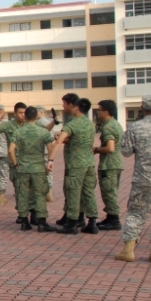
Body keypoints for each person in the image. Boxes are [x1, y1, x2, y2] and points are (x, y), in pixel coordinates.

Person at [114, 95, 151, 264]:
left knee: (136, 213)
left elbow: (126, 151)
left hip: (143, 177)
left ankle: (129, 251)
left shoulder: (134, 128)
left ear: (142, 107)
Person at [49, 96, 98, 234]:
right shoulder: (90, 124)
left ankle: (71, 223)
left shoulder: (72, 124)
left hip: (75, 164)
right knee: (88, 192)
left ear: (76, 107)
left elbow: (59, 141)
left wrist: (51, 160)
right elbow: (78, 140)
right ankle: (92, 222)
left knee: (73, 192)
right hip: (89, 162)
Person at [9, 107, 58, 232]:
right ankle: (42, 222)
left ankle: (24, 222)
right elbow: (51, 149)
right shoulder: (43, 132)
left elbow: (11, 150)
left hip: (23, 168)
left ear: (25, 117)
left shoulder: (19, 132)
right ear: (37, 117)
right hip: (38, 168)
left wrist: (16, 164)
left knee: (23, 194)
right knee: (40, 194)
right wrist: (50, 162)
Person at [0, 102, 26, 212]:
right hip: (14, 161)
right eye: (20, 113)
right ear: (15, 113)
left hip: (29, 161)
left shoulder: (30, 124)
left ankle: (32, 213)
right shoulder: (8, 125)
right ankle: (22, 213)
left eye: (25, 112)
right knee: (19, 188)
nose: (23, 115)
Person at [94, 99, 124, 231]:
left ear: (106, 111)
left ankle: (114, 219)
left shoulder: (108, 127)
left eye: (99, 110)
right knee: (111, 191)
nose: (97, 113)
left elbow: (110, 148)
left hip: (109, 164)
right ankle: (110, 216)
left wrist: (95, 150)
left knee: (109, 192)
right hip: (116, 163)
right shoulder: (115, 124)